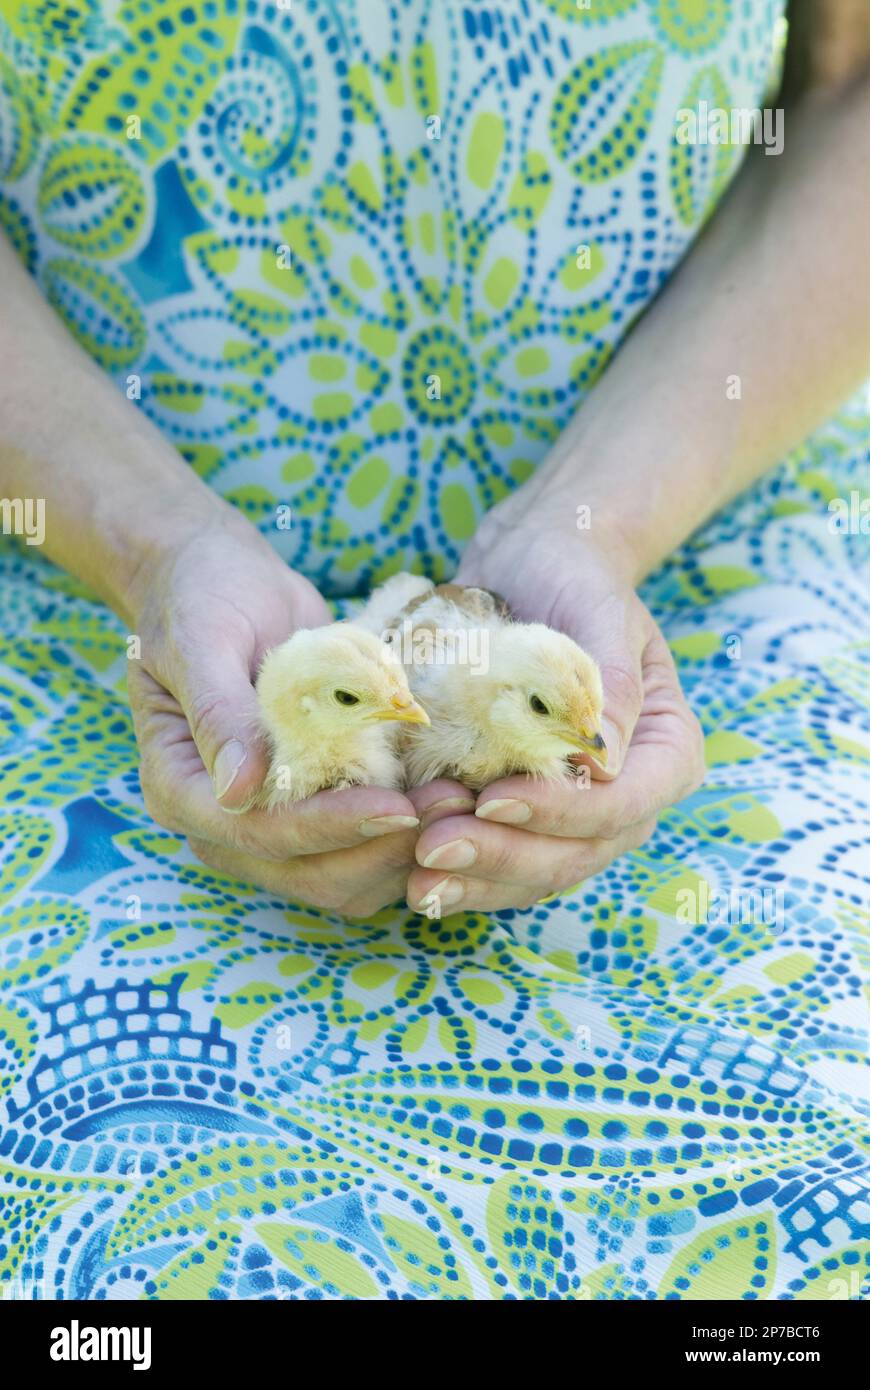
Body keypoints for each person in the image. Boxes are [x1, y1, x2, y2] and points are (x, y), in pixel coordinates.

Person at [0, 0, 867, 1301]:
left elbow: (845, 86)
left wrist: (603, 524)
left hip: (697, 533)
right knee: (109, 1259)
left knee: (810, 1212)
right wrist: (153, 548)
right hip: (67, 557)